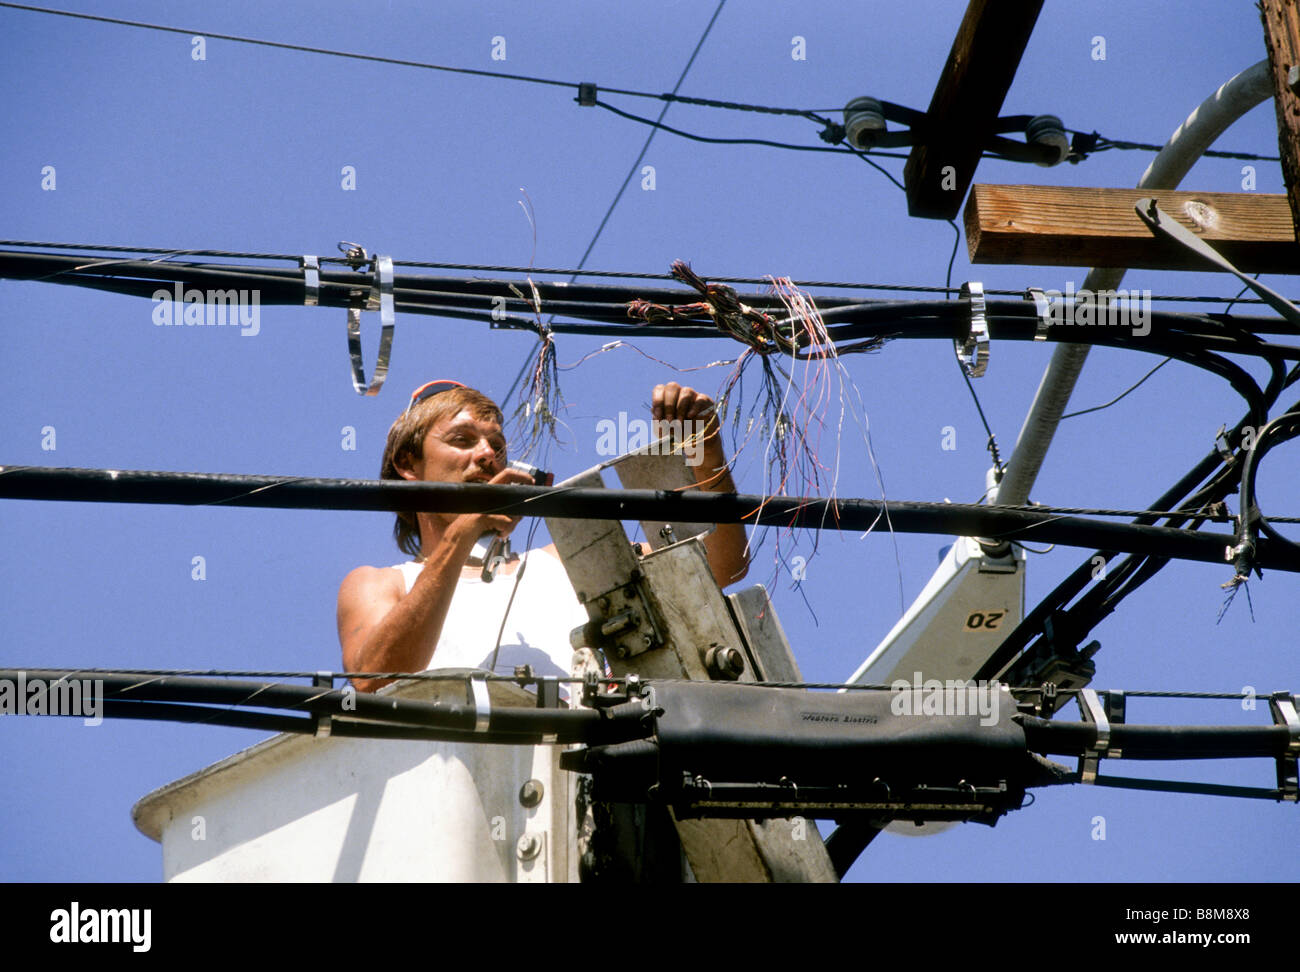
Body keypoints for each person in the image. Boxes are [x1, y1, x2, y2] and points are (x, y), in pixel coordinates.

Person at [338, 380, 748, 693]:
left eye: (496, 445)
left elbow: (719, 566)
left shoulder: (565, 563)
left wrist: (705, 453)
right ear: (408, 465)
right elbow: (371, 679)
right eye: (462, 440)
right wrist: (461, 534)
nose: (487, 454)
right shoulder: (378, 583)